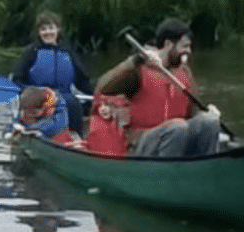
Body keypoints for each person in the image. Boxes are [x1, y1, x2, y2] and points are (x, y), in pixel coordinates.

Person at [91, 18, 222, 158]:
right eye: (184, 46)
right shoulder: (138, 68)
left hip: (179, 138)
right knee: (177, 127)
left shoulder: (184, 72)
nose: (188, 51)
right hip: (142, 144)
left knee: (210, 122)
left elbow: (193, 111)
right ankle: (167, 170)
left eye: (189, 47)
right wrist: (136, 60)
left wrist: (206, 113)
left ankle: (205, 165)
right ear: (168, 44)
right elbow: (103, 86)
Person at [9, 12, 94, 136]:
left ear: (58, 30)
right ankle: (38, 131)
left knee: (73, 103)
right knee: (63, 103)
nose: (47, 32)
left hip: (64, 97)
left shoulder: (68, 52)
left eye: (51, 28)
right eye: (43, 29)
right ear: (38, 32)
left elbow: (83, 81)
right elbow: (17, 80)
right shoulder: (31, 52)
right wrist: (36, 93)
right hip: (39, 99)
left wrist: (98, 96)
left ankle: (76, 138)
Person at [9, 85, 80, 146]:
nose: (29, 115)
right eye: (27, 112)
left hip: (60, 135)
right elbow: (13, 124)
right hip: (34, 131)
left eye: (34, 113)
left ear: (45, 106)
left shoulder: (58, 105)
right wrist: (13, 130)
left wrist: (31, 129)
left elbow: (60, 125)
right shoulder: (27, 100)